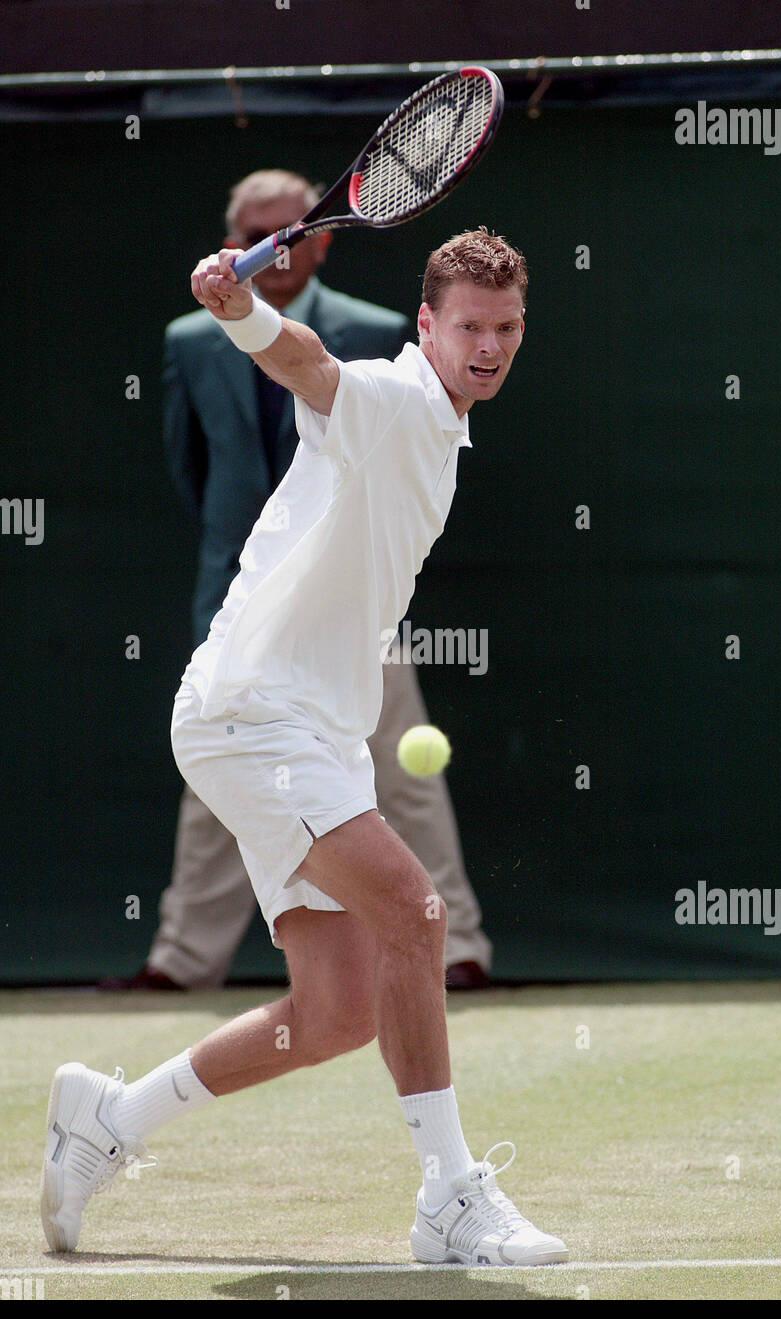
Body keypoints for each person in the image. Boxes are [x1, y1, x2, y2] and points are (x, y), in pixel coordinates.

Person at [41, 229, 567, 1266]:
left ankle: (108, 1120)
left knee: (332, 1012)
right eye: (469, 325)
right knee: (416, 911)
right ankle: (448, 1200)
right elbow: (305, 364)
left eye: (506, 328)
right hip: (252, 716)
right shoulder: (394, 398)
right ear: (427, 326)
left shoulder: (444, 431)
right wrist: (237, 310)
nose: (489, 345)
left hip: (311, 729)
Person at [100, 169, 491, 993]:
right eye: (256, 233)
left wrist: (242, 314)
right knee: (218, 788)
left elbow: (316, 374)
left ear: (318, 237)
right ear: (236, 240)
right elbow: (192, 466)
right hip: (246, 604)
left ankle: (455, 948)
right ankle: (181, 961)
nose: (276, 248)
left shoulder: (378, 332)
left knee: (404, 774)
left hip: (356, 611)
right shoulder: (188, 339)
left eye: (292, 229)